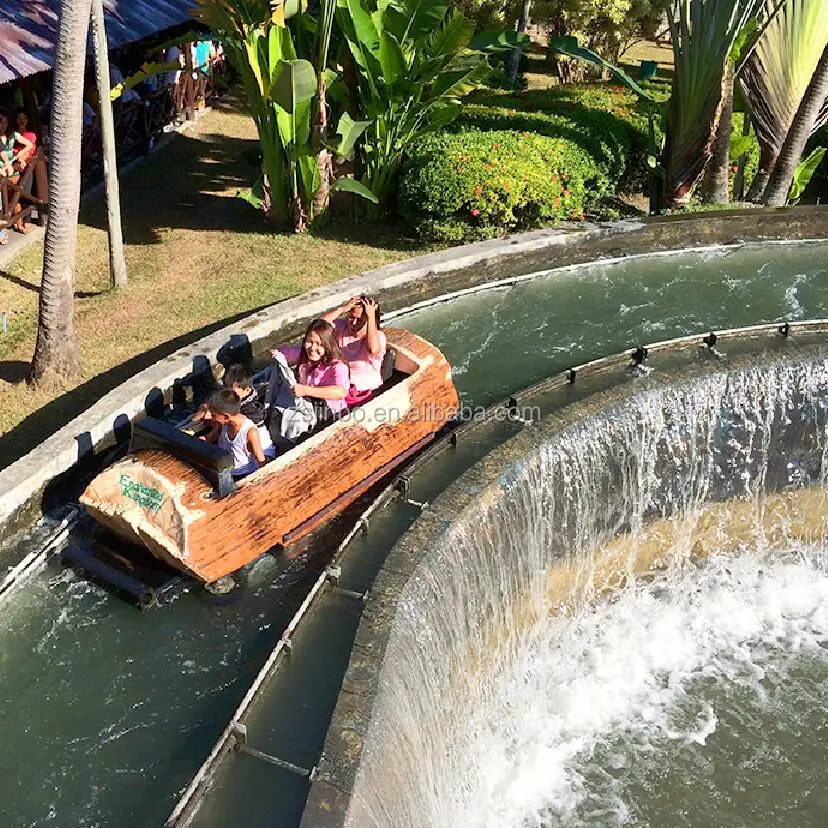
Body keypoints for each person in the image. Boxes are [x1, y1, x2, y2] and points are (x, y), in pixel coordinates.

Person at [275, 319, 350, 422]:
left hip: (331, 413)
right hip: (309, 405)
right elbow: (280, 353)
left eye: (319, 344)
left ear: (328, 345)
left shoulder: (338, 366)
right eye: (309, 341)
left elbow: (340, 392)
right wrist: (275, 355)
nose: (313, 348)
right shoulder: (303, 355)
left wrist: (306, 390)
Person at [321, 295, 387, 406]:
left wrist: (371, 317)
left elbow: (372, 350)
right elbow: (319, 326)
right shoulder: (342, 327)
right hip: (340, 387)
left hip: (366, 393)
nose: (354, 323)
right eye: (351, 318)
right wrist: (342, 309)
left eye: (360, 320)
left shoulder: (379, 337)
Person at [202, 388, 267, 478]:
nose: (210, 417)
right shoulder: (222, 424)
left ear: (225, 416)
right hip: (224, 470)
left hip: (243, 474)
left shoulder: (250, 432)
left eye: (213, 415)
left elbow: (260, 460)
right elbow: (209, 438)